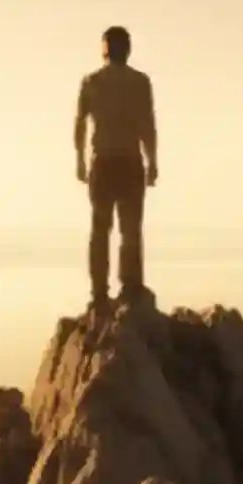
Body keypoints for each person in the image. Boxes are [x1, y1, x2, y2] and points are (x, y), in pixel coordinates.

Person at [74, 26, 158, 308]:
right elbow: (147, 124)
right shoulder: (140, 82)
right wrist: (152, 160)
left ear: (105, 49)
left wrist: (80, 159)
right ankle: (131, 287)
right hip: (129, 161)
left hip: (104, 162)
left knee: (101, 229)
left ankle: (99, 293)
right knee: (130, 229)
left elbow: (80, 123)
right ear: (128, 49)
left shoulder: (92, 82)